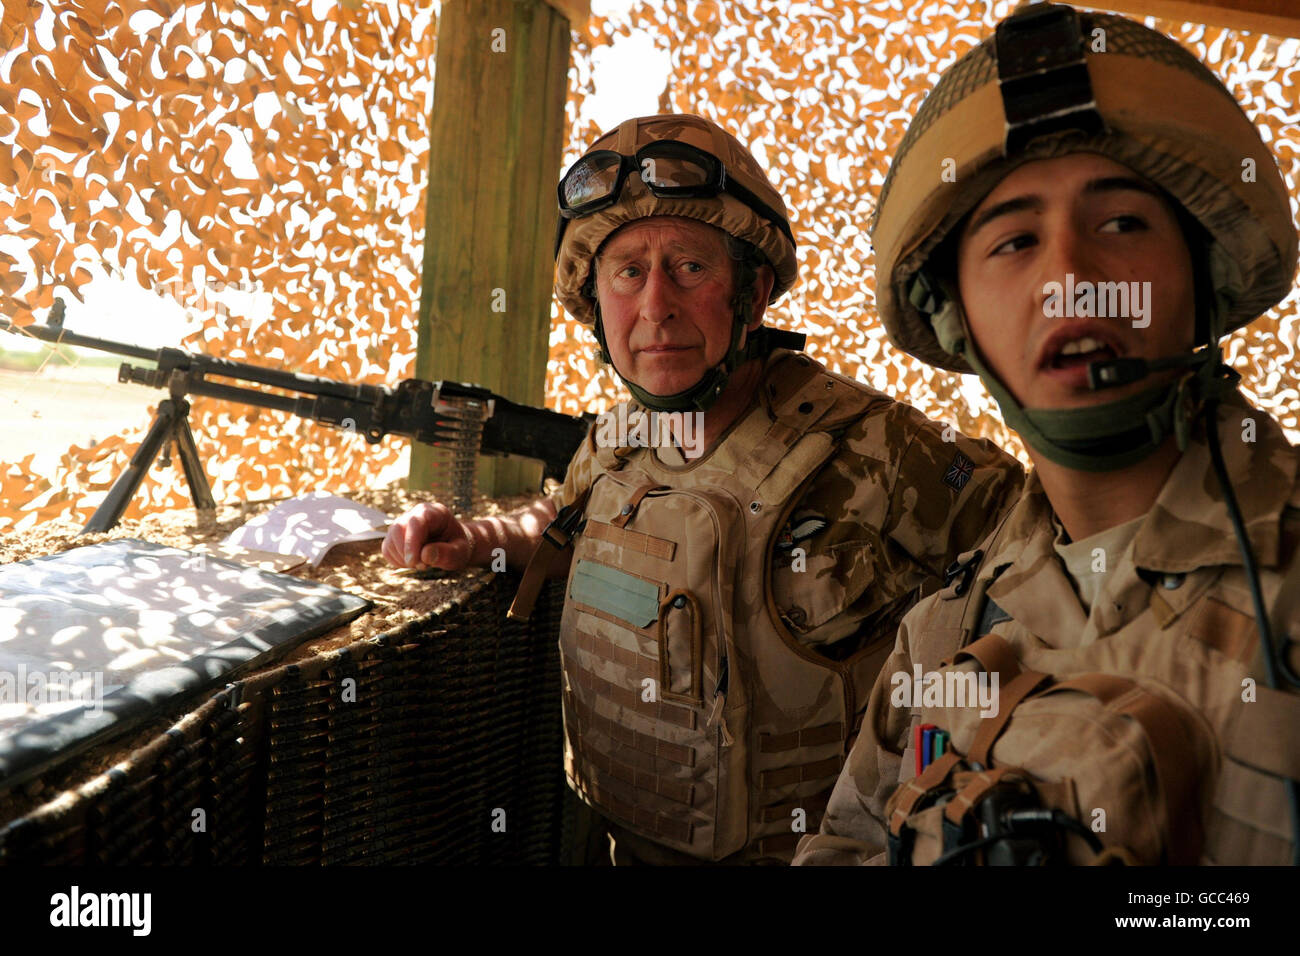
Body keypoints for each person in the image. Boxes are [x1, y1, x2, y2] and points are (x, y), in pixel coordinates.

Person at [384, 113, 1024, 864]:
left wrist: (938, 780)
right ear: (597, 305)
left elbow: (1044, 573)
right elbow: (565, 519)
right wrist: (487, 538)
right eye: (628, 273)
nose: (656, 306)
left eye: (689, 267)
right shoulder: (616, 440)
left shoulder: (877, 447)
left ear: (750, 294)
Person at [793, 2, 1300, 866]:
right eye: (1016, 241)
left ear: (1201, 276)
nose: (1070, 277)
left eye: (1122, 224)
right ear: (958, 322)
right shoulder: (943, 635)